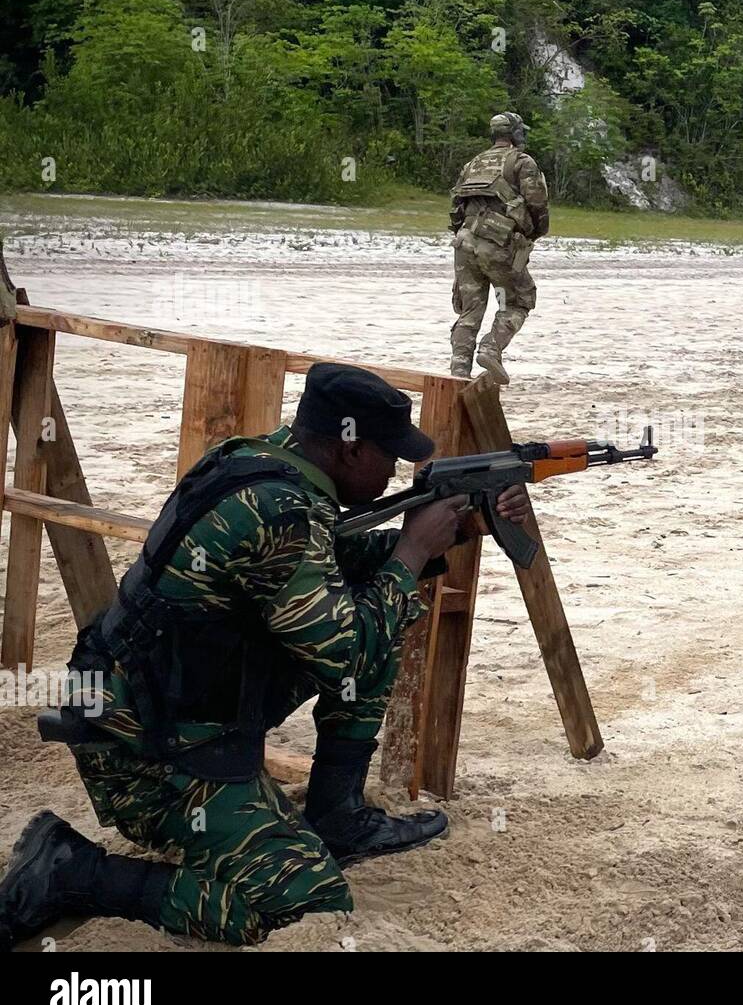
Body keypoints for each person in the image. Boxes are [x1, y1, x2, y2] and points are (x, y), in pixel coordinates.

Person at [0, 363, 529, 949]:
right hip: (149, 755)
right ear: (349, 451)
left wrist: (458, 527)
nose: (397, 472)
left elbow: (323, 579)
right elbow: (344, 654)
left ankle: (336, 816)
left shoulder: (263, 460)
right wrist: (411, 549)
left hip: (176, 705)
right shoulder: (281, 511)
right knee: (300, 901)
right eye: (390, 456)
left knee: (382, 611)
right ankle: (74, 871)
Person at [448, 111, 550, 384]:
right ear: (516, 133)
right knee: (519, 300)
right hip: (500, 244)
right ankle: (491, 347)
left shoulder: (473, 164)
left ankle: (458, 372)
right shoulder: (521, 162)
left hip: (464, 243)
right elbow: (537, 204)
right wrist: (534, 233)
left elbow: (455, 209)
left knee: (470, 309)